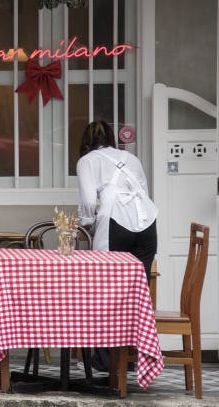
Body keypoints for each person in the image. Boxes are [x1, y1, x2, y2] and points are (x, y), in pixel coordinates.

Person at [76, 120, 158, 372]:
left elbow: (90, 201)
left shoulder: (87, 161)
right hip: (147, 223)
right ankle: (132, 358)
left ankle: (105, 360)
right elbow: (143, 189)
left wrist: (88, 223)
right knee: (136, 293)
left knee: (105, 292)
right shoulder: (130, 157)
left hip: (116, 223)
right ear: (112, 138)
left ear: (86, 142)